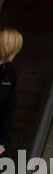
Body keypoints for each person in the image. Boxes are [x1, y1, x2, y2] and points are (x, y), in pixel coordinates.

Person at [0, 27, 20, 156]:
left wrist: (2, 142)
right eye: (16, 49)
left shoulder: (10, 75)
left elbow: (8, 109)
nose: (16, 53)